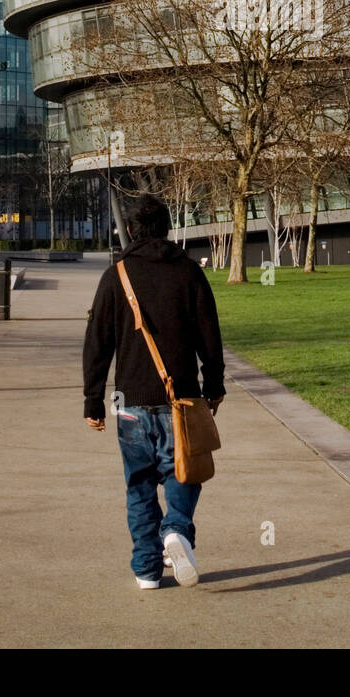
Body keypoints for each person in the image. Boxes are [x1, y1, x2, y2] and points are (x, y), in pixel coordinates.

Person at [83, 193, 225, 590]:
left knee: (139, 486)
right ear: (166, 229)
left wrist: (93, 400)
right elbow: (209, 337)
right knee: (184, 470)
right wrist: (214, 384)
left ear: (130, 230)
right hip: (181, 397)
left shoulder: (117, 274)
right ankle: (176, 530)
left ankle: (146, 570)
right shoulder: (189, 273)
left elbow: (97, 342)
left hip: (129, 402)